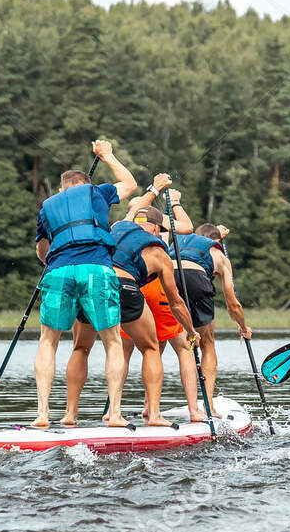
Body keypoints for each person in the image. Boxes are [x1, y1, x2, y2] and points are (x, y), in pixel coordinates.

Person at [31, 140, 138, 428]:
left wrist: (51, 265)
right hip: (96, 269)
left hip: (58, 272)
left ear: (61, 188)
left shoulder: (47, 207)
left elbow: (42, 249)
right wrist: (108, 156)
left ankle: (43, 414)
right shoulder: (98, 192)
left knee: (48, 341)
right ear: (84, 184)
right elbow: (129, 184)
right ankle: (114, 414)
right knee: (113, 340)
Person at [105, 206, 198, 425]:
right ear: (156, 228)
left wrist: (153, 189)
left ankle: (110, 412)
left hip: (96, 284)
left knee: (114, 347)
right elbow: (176, 302)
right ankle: (157, 413)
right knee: (155, 347)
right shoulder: (159, 244)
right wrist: (192, 331)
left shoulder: (119, 227)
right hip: (139, 287)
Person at [123, 175, 205, 421]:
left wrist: (155, 192)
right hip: (157, 288)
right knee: (183, 349)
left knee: (142, 349)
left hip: (131, 290)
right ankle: (193, 411)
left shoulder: (125, 225)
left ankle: (133, 408)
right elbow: (188, 227)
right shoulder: (159, 223)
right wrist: (175, 202)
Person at [171, 223, 251, 402]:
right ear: (216, 241)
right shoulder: (218, 254)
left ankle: (156, 408)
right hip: (196, 278)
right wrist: (243, 327)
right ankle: (208, 405)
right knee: (207, 343)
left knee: (180, 345)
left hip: (167, 277)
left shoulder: (181, 240)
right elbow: (233, 305)